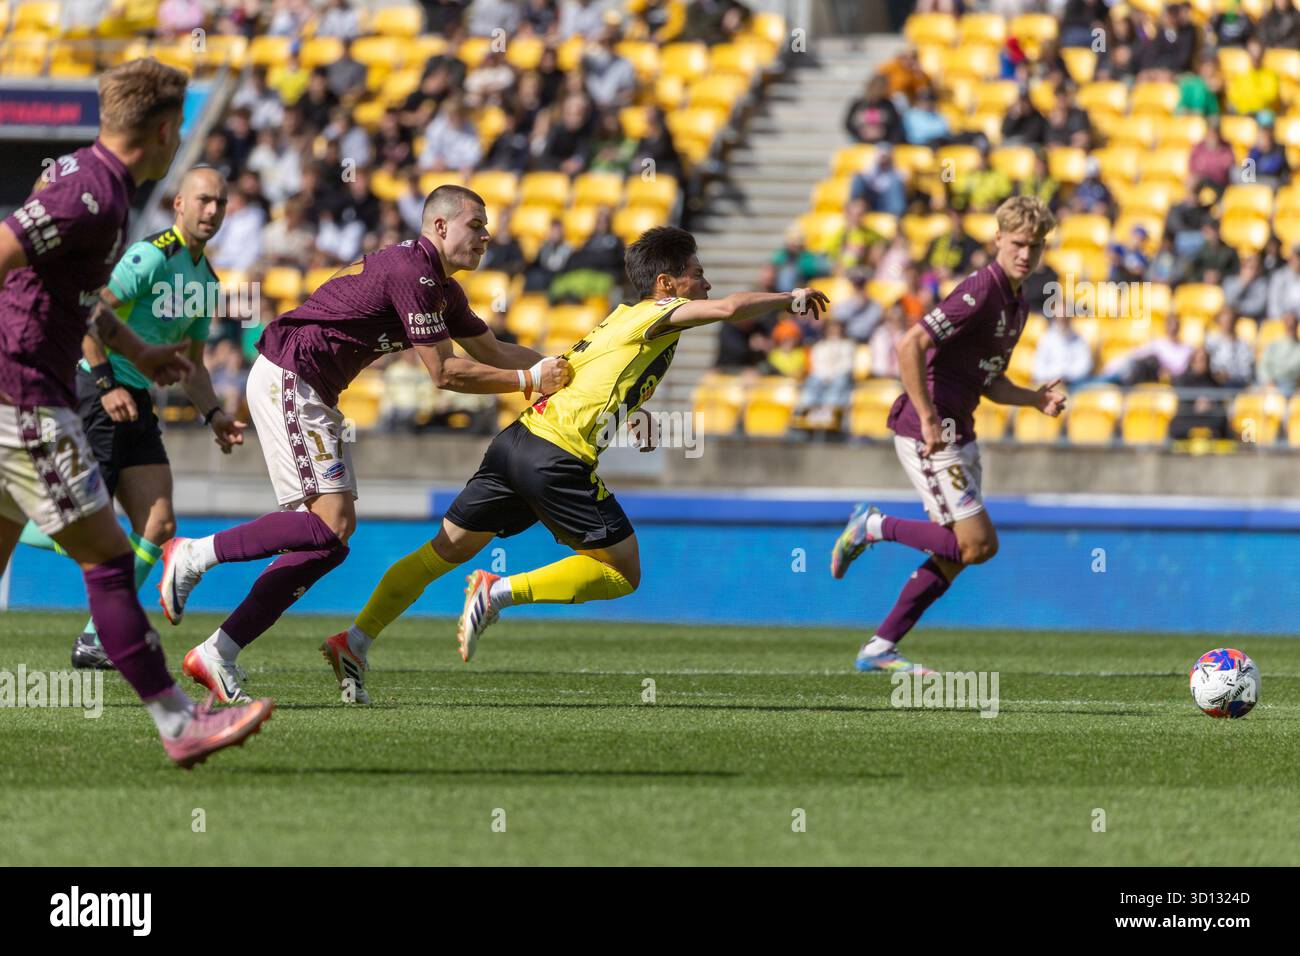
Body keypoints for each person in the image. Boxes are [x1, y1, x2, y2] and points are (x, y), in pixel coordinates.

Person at [330, 227, 828, 697]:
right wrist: (791, 299)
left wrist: (635, 413)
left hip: (517, 442)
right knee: (623, 572)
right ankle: (496, 590)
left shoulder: (618, 319)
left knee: (444, 549)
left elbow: (587, 377)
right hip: (557, 458)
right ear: (668, 283)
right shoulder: (660, 313)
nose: (706, 282)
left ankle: (355, 640)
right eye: (697, 273)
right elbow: (730, 307)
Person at [156, 186, 574, 704]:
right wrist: (532, 382)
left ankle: (218, 652)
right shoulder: (413, 272)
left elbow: (493, 350)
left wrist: (569, 372)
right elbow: (443, 372)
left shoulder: (441, 287)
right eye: (476, 224)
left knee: (328, 539)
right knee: (329, 525)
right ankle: (194, 553)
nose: (486, 236)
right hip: (292, 374)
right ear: (440, 227)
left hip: (309, 385)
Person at [0, 58, 274, 767]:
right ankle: (180, 724)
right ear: (163, 131)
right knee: (112, 559)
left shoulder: (103, 191)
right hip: (27, 398)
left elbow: (83, 298)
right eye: (178, 128)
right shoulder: (91, 195)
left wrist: (143, 354)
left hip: (26, 390)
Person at [17, 166, 243, 670]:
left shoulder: (206, 279)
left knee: (159, 524)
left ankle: (98, 637)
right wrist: (106, 382)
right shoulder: (150, 255)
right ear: (178, 205)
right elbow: (88, 314)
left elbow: (196, 362)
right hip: (95, 391)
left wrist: (214, 415)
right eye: (203, 200)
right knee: (84, 524)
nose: (212, 211)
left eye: (221, 204)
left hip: (135, 400)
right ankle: (17, 511)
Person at [829, 196, 1065, 674]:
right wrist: (930, 417)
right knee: (978, 544)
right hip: (930, 430)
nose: (1026, 254)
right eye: (1018, 243)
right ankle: (872, 526)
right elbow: (909, 342)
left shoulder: (1017, 303)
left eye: (1035, 246)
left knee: (958, 552)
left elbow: (990, 380)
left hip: (962, 430)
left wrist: (1035, 400)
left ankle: (879, 648)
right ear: (998, 239)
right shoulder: (980, 290)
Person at [1258, 312, 1300, 394]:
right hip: (1273, 384)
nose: (1290, 325)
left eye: (1293, 323)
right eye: (1288, 323)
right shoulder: (1273, 345)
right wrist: (1269, 382)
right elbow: (1264, 366)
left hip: (1294, 386)